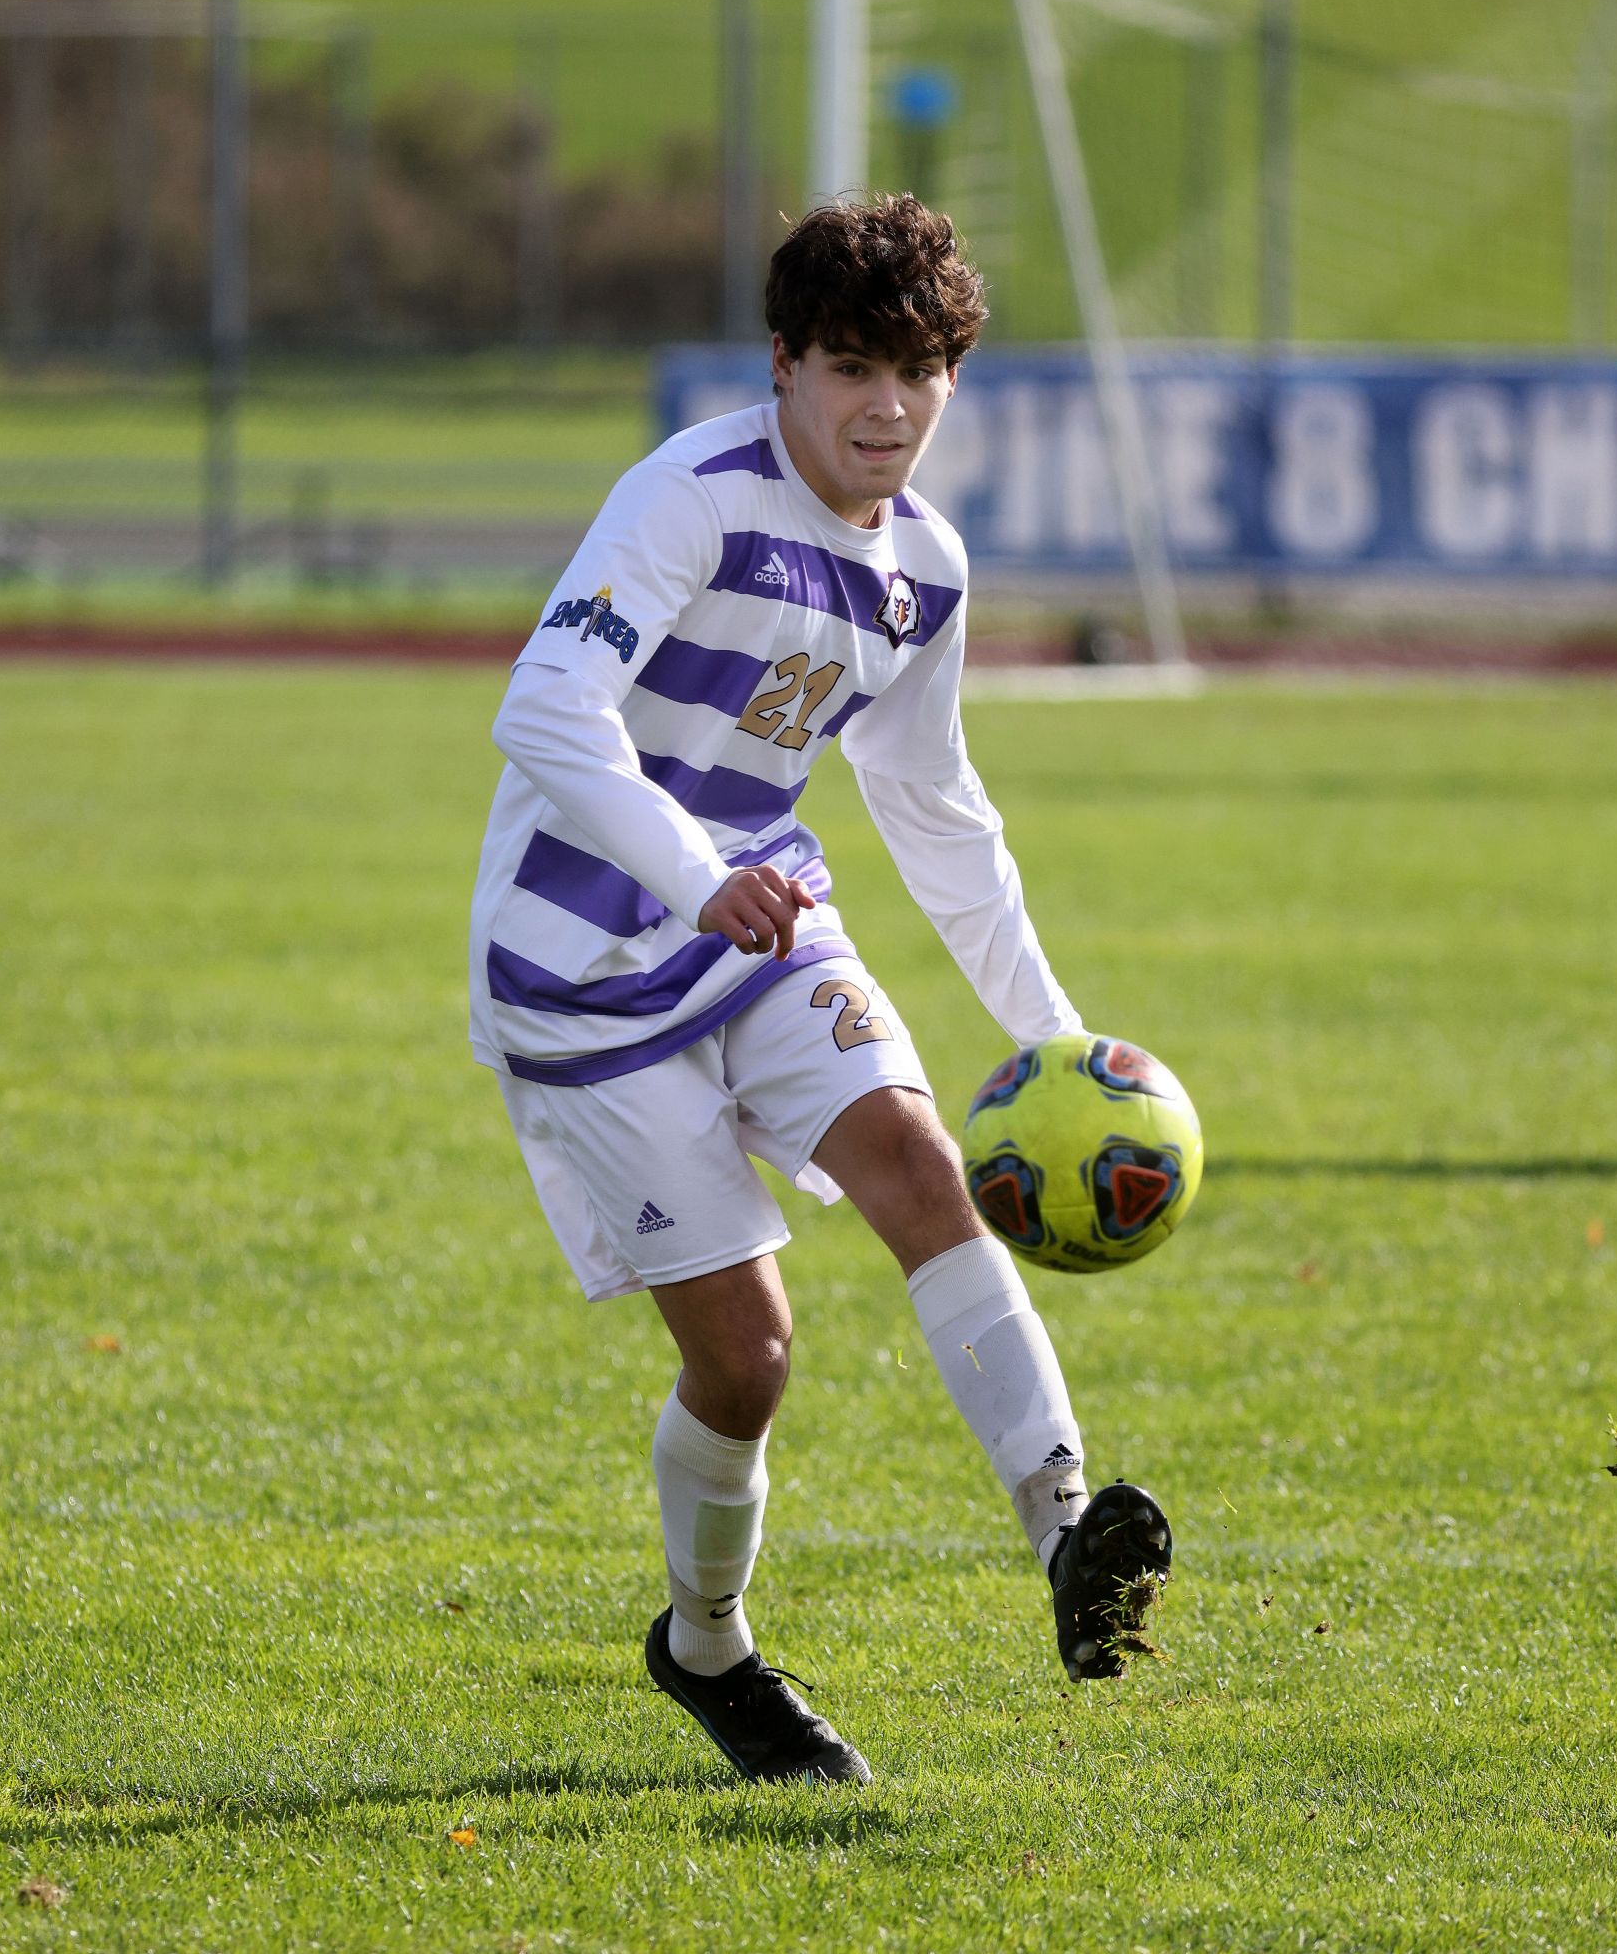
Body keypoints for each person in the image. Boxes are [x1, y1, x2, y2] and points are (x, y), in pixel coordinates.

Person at [469, 194, 1170, 1786]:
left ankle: (1071, 1537)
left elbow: (933, 803)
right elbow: (546, 711)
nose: (888, 408)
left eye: (920, 372)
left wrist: (1050, 1037)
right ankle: (705, 1647)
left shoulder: (926, 561)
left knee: (932, 1167)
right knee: (750, 1363)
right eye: (853, 366)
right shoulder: (690, 498)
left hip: (769, 928)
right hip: (579, 974)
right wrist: (690, 873)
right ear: (784, 364)